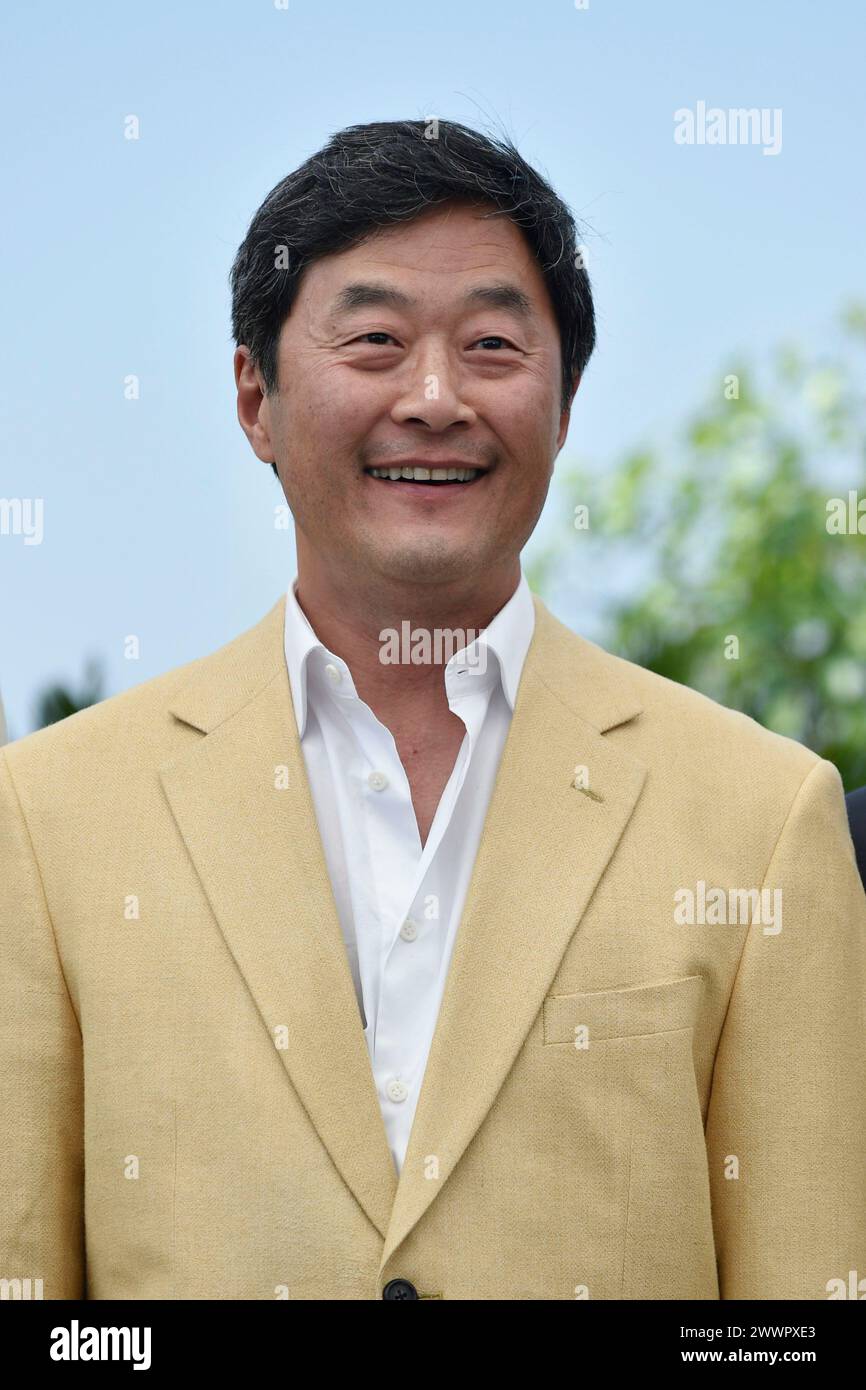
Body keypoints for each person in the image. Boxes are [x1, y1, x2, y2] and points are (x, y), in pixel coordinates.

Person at [1, 119, 864, 1302]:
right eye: (373, 340)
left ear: (563, 404)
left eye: (494, 345)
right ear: (254, 396)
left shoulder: (763, 816)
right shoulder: (46, 820)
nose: (434, 396)